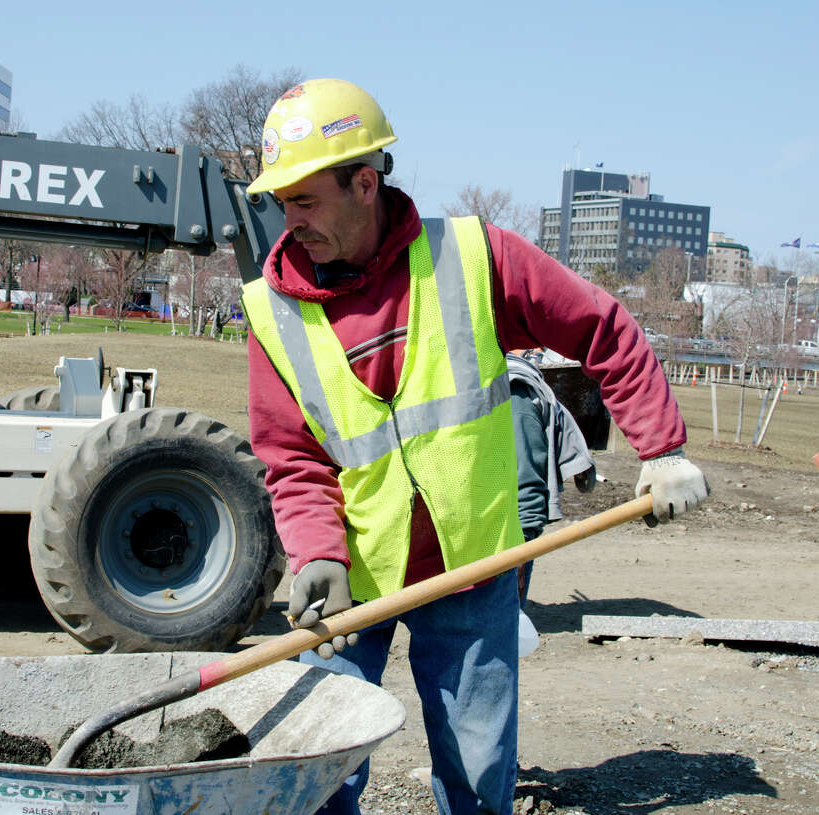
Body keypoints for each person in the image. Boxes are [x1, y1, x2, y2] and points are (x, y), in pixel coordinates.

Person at [240, 78, 709, 815]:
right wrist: (316, 551)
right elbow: (292, 456)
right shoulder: (273, 313)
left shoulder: (471, 258)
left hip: (473, 564)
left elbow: (602, 330)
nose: (288, 220)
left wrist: (662, 446)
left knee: (477, 767)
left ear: (365, 182)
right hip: (351, 575)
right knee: (317, 760)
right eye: (282, 202)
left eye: (304, 200)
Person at [506, 350, 596, 608]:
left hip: (504, 543)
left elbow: (526, 478)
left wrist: (521, 551)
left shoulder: (516, 391)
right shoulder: (509, 384)